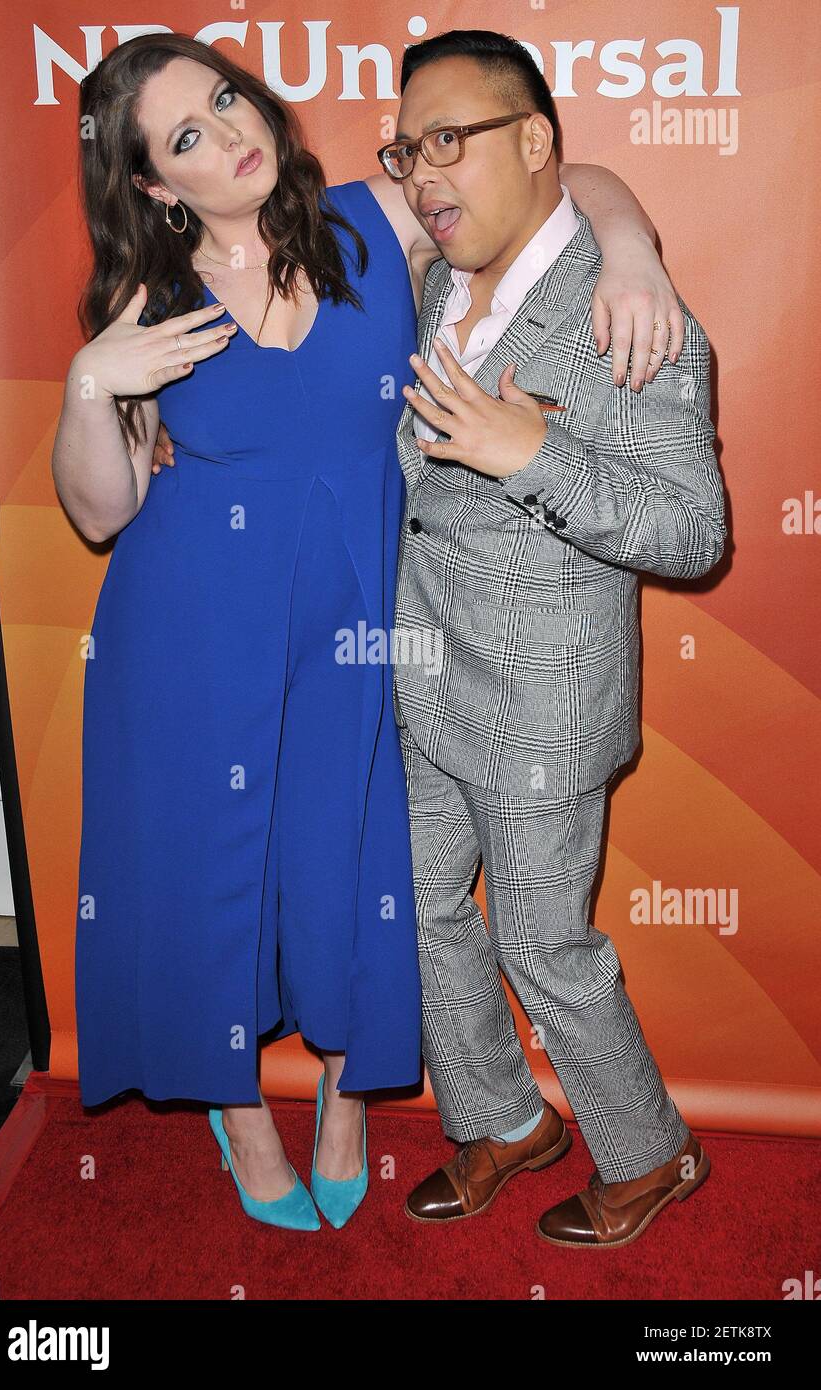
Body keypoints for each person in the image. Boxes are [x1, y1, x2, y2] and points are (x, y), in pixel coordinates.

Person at [53, 31, 686, 1234]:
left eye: (226, 99)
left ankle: (345, 1100)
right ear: (149, 186)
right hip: (188, 634)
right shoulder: (145, 303)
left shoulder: (364, 223)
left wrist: (633, 253)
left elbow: (552, 185)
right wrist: (93, 380)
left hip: (362, 620)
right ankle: (235, 1113)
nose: (231, 134)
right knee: (202, 876)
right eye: (186, 136)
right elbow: (101, 512)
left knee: (353, 865)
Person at [386, 29, 726, 1246]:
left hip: (543, 700)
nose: (423, 175)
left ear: (533, 141)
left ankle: (649, 1150)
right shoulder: (437, 278)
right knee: (424, 910)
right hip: (425, 675)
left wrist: (535, 451)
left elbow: (693, 531)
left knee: (540, 938)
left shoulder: (626, 312)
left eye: (450, 140)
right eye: (406, 148)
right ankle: (501, 1120)